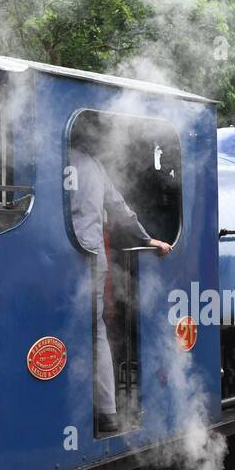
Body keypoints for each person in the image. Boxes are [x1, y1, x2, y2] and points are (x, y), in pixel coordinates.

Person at [68, 148, 171, 435]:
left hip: (55, 259)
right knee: (95, 331)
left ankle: (73, 410)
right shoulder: (91, 164)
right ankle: (106, 411)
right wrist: (147, 239)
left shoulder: (47, 162)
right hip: (89, 255)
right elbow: (119, 208)